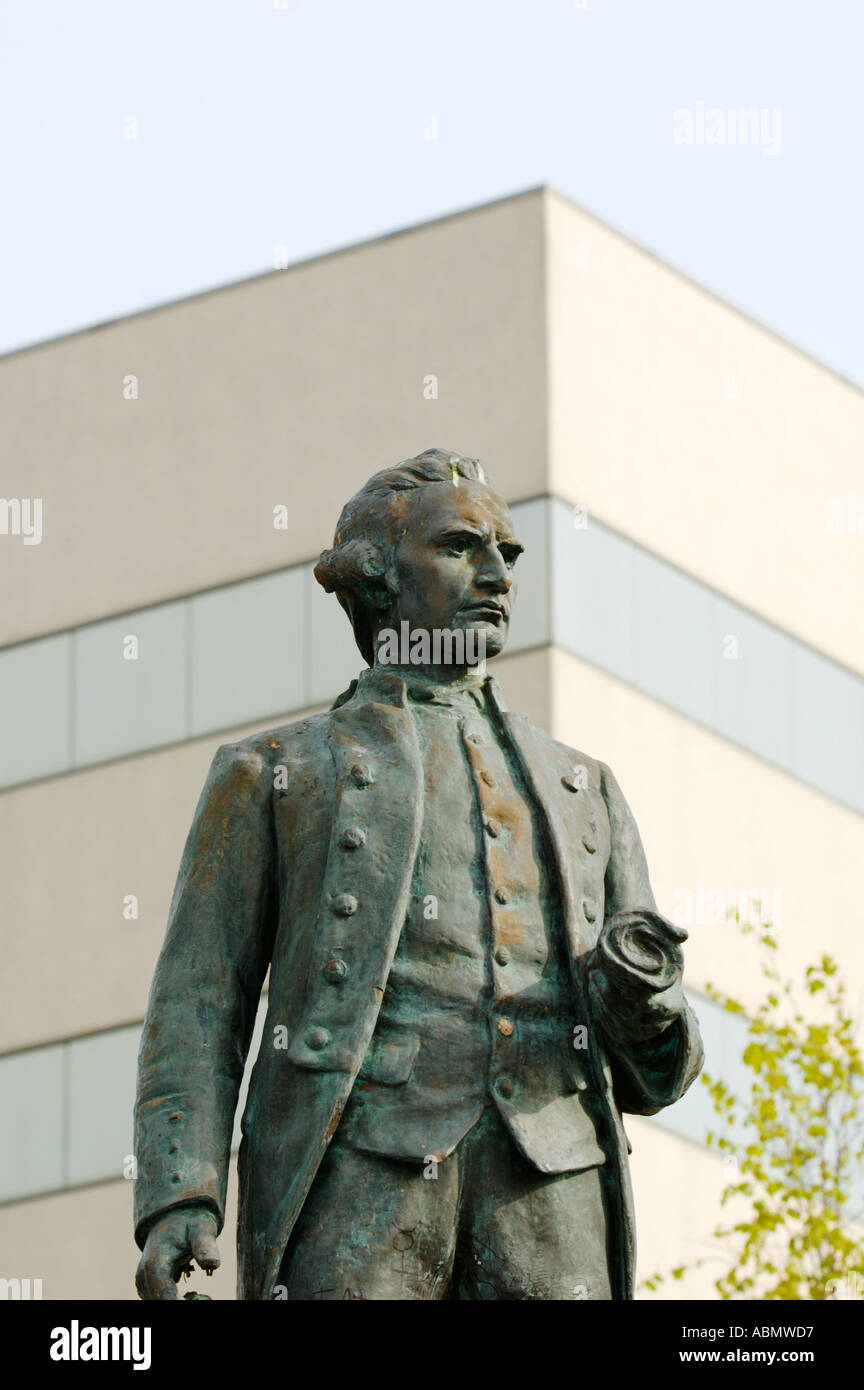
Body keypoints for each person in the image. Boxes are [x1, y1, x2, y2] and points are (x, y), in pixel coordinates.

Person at [133, 446, 703, 1300]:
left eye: (506, 554)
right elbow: (199, 998)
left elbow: (657, 1075)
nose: (497, 574)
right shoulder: (278, 773)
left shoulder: (584, 788)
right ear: (375, 576)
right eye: (461, 546)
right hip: (358, 1168)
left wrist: (645, 1000)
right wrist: (182, 1191)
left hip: (555, 1176)